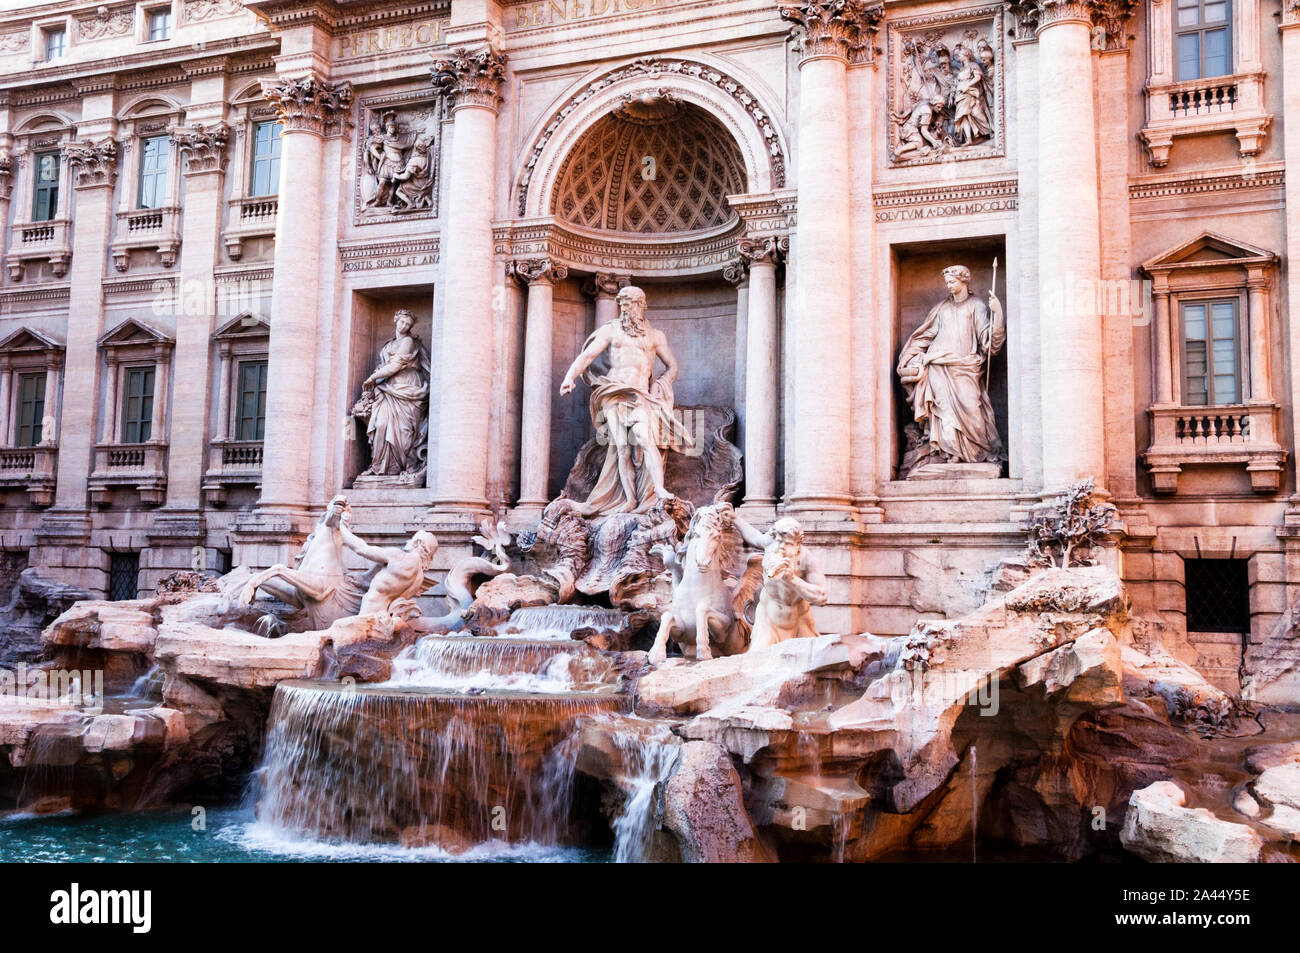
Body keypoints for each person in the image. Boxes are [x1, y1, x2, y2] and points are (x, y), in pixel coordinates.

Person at [559, 285, 693, 515]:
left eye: (629, 304)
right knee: (621, 446)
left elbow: (673, 366)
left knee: (644, 438)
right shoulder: (611, 331)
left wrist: (660, 384)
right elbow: (588, 355)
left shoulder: (655, 336)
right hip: (614, 392)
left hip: (640, 395)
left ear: (641, 305)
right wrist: (569, 377)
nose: (624, 309)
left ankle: (659, 490)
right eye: (621, 305)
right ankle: (629, 499)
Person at [897, 265, 1005, 476]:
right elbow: (925, 336)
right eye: (947, 282)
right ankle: (948, 453)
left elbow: (989, 342)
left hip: (966, 366)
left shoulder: (977, 306)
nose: (949, 285)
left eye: (953, 281)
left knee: (972, 408)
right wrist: (910, 356)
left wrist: (998, 313)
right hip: (938, 366)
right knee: (943, 410)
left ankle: (973, 453)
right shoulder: (941, 308)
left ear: (964, 281)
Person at [732, 513, 827, 650]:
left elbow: (822, 596)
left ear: (797, 544)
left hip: (799, 620)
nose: (781, 547)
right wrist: (734, 518)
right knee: (758, 660)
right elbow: (753, 537)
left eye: (787, 544)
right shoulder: (770, 543)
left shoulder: (807, 560)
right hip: (768, 619)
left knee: (804, 665)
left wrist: (792, 579)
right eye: (778, 541)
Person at [354, 309, 430, 478]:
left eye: (408, 324)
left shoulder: (408, 342)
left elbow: (395, 366)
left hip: (407, 388)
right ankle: (378, 467)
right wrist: (375, 381)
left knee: (403, 432)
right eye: (402, 321)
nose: (404, 325)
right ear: (396, 320)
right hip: (387, 389)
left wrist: (372, 378)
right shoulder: (388, 344)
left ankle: (399, 468)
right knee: (380, 424)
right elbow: (384, 366)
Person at [339, 525, 438, 617]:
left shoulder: (400, 557)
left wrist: (341, 527)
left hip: (367, 617)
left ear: (418, 542)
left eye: (412, 539)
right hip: (383, 619)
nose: (408, 541)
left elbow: (361, 549)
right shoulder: (419, 578)